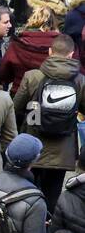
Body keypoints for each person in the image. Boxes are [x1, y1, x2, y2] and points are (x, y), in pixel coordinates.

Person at [13, 34, 85, 210]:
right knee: (51, 197)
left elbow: (16, 108)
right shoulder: (80, 81)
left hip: (33, 147)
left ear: (50, 51)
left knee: (27, 194)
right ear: (71, 55)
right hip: (63, 150)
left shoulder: (32, 77)